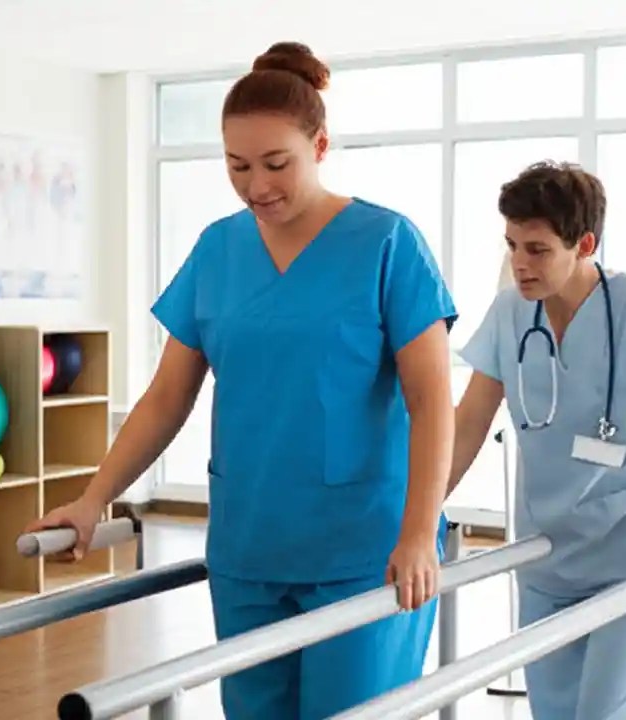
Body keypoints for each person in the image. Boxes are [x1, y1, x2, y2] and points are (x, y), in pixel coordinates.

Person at [25, 42, 457, 719]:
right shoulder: (217, 249)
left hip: (365, 550)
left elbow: (432, 402)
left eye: (276, 164)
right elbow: (167, 397)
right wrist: (94, 499)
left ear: (320, 144)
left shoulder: (387, 243)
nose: (258, 186)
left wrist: (419, 532)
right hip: (251, 544)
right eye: (238, 166)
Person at [445, 161, 626, 720]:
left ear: (586, 243)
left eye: (537, 249)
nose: (519, 264)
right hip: (548, 554)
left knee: (605, 713)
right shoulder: (510, 313)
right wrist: (416, 516)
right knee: (554, 713)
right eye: (511, 246)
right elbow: (468, 424)